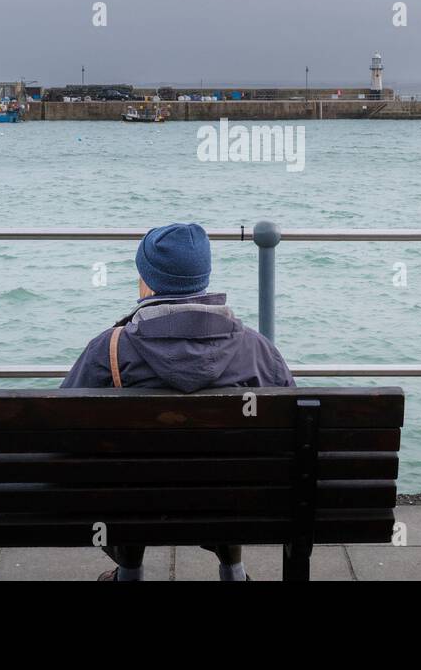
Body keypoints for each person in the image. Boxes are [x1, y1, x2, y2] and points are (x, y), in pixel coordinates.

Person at [62, 222, 295, 581]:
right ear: (203, 277)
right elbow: (290, 436)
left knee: (124, 469)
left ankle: (130, 572)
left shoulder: (109, 348)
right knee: (228, 468)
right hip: (232, 507)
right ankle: (233, 570)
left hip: (132, 504)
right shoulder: (257, 350)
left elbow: (60, 428)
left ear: (148, 280)